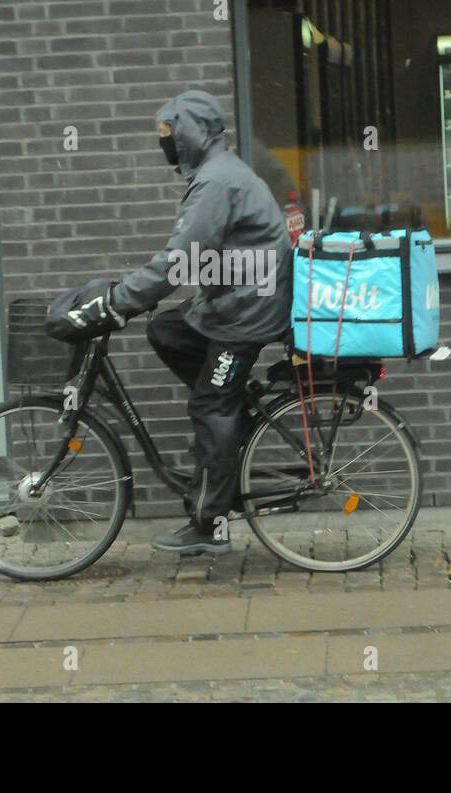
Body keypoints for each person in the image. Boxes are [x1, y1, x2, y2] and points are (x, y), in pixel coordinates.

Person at [61, 90, 293, 556]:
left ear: (190, 134)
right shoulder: (215, 174)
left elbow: (179, 262)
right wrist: (130, 298)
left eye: (169, 134)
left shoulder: (217, 182)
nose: (164, 144)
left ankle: (211, 526)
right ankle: (234, 409)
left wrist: (116, 303)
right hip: (230, 303)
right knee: (166, 330)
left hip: (246, 314)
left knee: (211, 406)